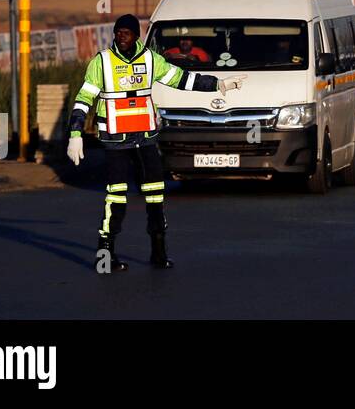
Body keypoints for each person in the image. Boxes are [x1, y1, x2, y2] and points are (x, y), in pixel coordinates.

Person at [66, 14, 244, 274]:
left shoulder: (151, 59)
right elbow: (84, 98)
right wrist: (75, 134)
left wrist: (219, 85)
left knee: (155, 194)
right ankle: (105, 255)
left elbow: (183, 79)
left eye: (126, 32)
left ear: (136, 36)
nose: (120, 36)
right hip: (115, 140)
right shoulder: (101, 62)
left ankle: (159, 253)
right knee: (116, 197)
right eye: (117, 32)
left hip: (145, 139)